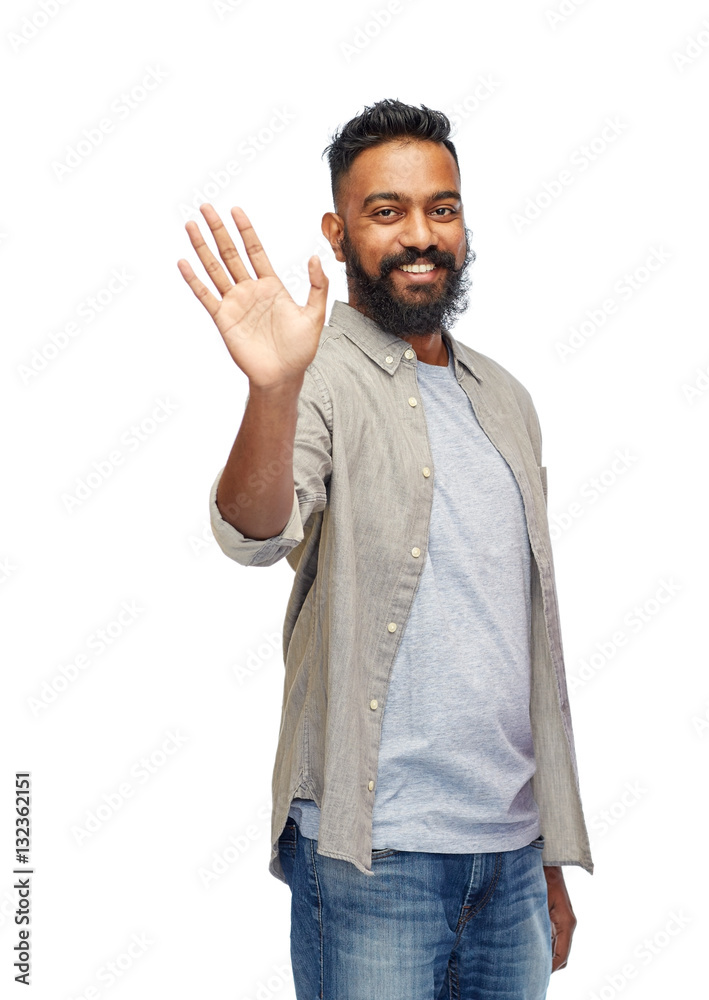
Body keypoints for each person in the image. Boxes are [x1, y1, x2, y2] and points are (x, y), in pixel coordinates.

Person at [178, 99, 593, 1000]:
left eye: (440, 208)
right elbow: (255, 531)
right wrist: (273, 390)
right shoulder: (317, 379)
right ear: (338, 231)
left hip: (513, 859)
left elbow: (517, 639)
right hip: (375, 857)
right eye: (387, 210)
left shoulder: (507, 399)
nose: (420, 234)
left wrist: (548, 857)